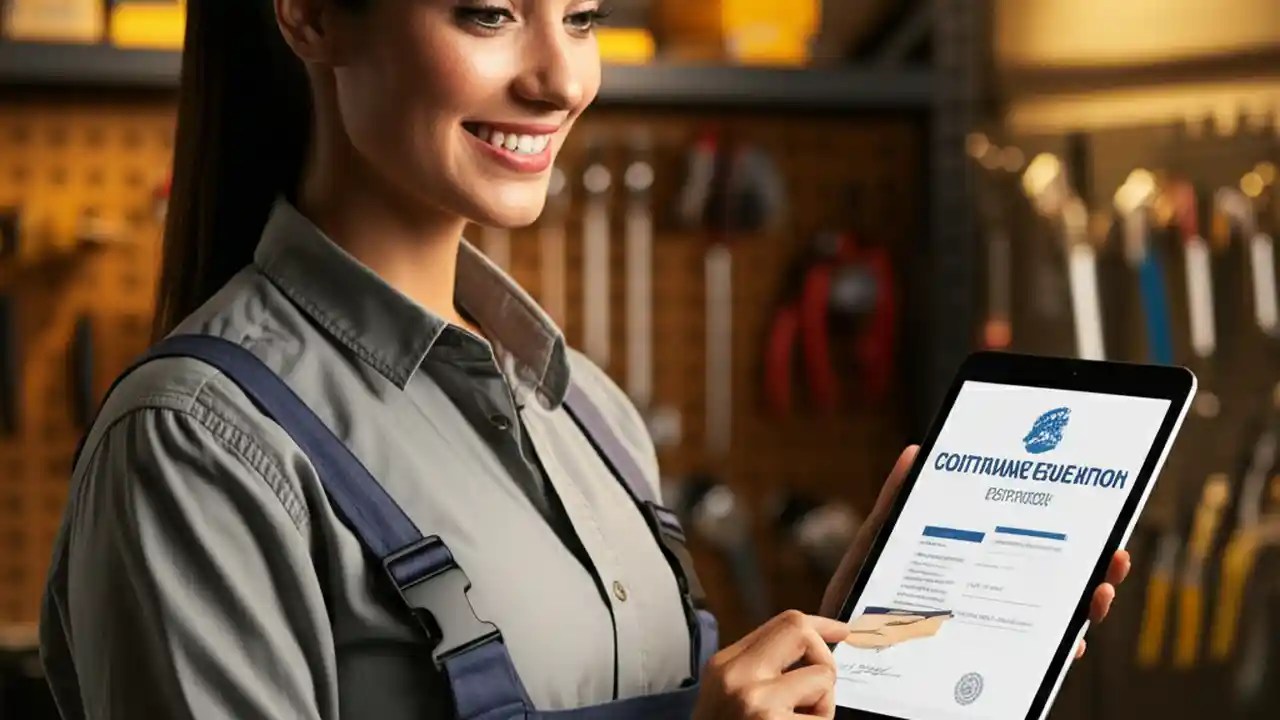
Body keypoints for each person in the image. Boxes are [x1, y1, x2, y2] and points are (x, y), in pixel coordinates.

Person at [37, 1, 1130, 718]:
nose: (560, 79)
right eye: (489, 14)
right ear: (312, 15)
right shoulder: (196, 446)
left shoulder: (589, 416)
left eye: (582, 15)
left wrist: (839, 667)